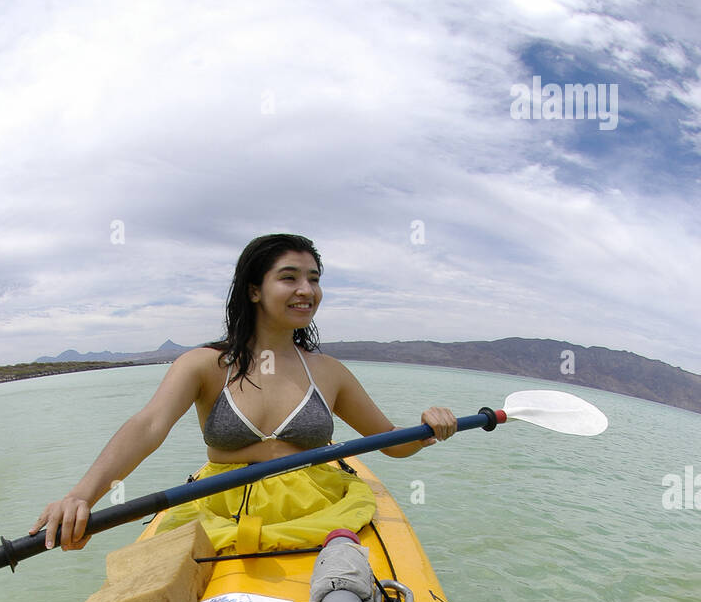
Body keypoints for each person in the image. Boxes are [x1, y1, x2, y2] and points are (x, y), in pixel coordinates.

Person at [30, 233, 457, 553]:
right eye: (288, 278)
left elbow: (390, 443)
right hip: (219, 507)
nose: (306, 290)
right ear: (254, 290)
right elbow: (148, 426)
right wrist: (81, 496)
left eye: (313, 279)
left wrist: (428, 429)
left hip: (320, 507)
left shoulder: (329, 372)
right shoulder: (203, 365)